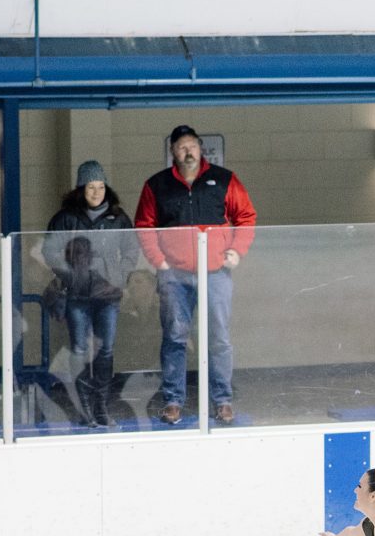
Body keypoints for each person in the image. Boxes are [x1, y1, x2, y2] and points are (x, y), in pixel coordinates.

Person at [133, 125, 257, 427]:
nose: (188, 152)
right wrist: (159, 261)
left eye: (192, 146)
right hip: (174, 276)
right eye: (181, 147)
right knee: (175, 338)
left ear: (200, 148)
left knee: (219, 337)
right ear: (172, 152)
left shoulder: (224, 180)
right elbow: (144, 225)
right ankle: (173, 401)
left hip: (215, 274)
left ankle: (223, 401)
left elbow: (246, 216)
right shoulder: (157, 185)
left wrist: (237, 251)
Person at [41, 162, 135, 429]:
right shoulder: (66, 218)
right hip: (77, 296)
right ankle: (84, 408)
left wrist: (121, 274)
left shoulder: (118, 217)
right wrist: (71, 275)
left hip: (108, 295)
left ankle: (101, 406)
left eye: (101, 186)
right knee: (80, 349)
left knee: (106, 350)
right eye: (91, 187)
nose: (96, 192)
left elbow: (131, 248)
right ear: (81, 188)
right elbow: (50, 251)